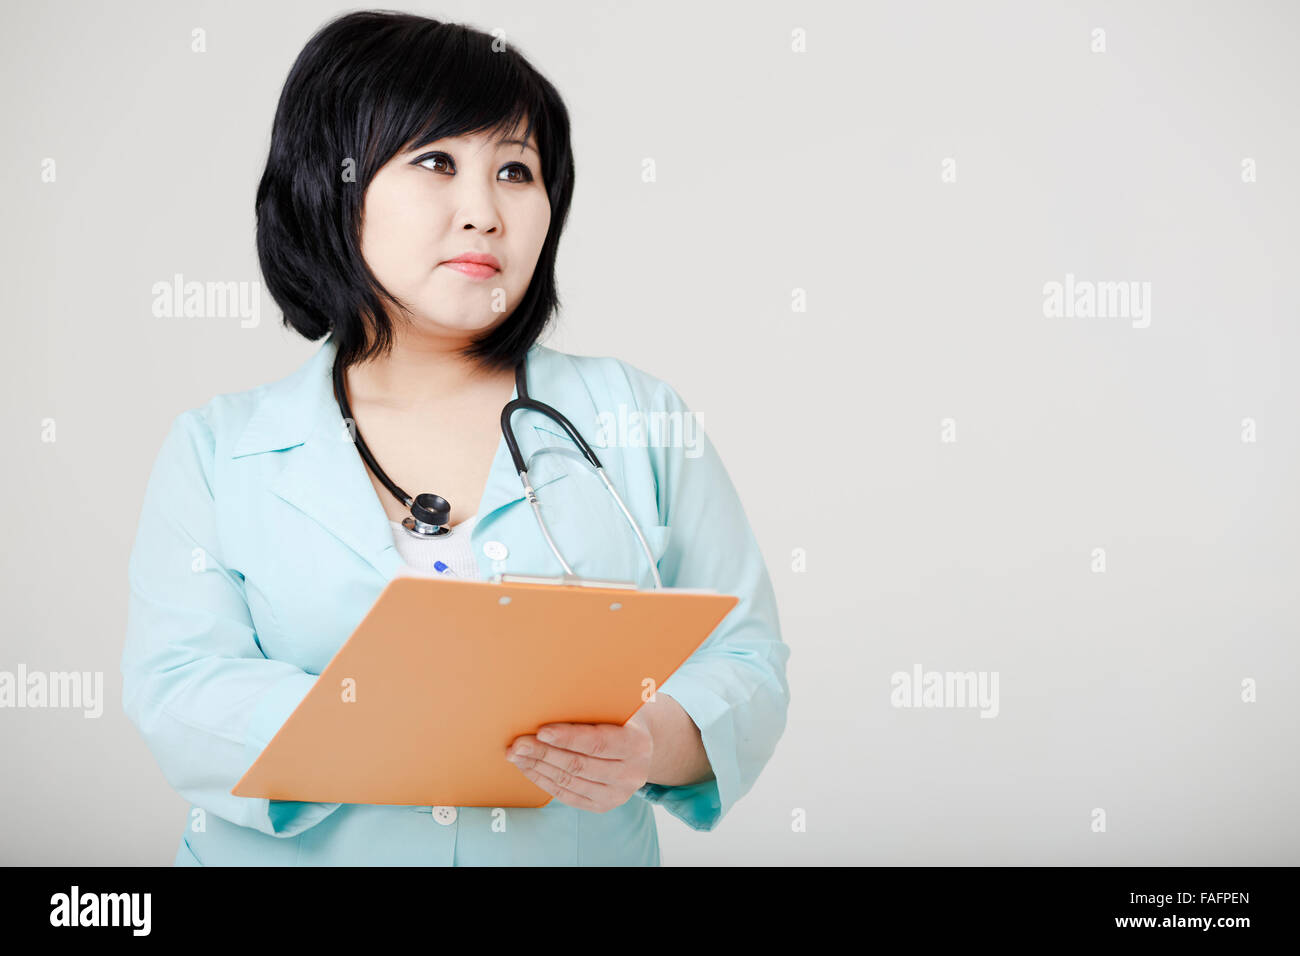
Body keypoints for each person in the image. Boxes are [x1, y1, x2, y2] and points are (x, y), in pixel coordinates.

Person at [121, 10, 789, 866]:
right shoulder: (218, 451)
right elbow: (181, 691)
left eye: (516, 169)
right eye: (435, 162)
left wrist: (651, 742)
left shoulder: (638, 416)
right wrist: (399, 722)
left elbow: (747, 659)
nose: (483, 212)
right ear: (332, 182)